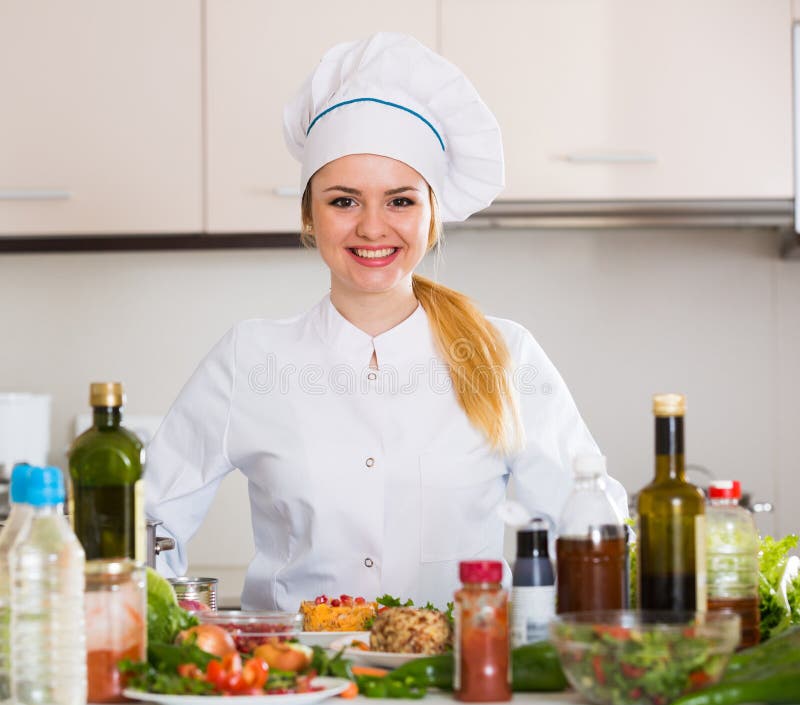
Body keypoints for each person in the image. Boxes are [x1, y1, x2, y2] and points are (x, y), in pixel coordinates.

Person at [146, 32, 627, 611]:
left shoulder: (505, 354)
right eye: (343, 201)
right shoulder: (251, 358)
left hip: (454, 681)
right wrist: (157, 620)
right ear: (309, 214)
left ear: (432, 215)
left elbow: (585, 518)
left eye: (400, 201)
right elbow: (144, 520)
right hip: (296, 679)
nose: (373, 228)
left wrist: (542, 632)